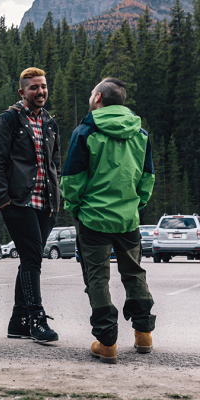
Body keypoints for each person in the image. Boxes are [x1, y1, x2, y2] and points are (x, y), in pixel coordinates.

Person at [60, 78, 156, 364]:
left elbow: (72, 178)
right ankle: (143, 334)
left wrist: (74, 207)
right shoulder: (140, 133)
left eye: (92, 93)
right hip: (128, 218)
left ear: (98, 97)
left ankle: (107, 341)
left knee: (97, 278)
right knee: (135, 273)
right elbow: (147, 177)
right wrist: (135, 205)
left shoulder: (85, 132)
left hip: (93, 218)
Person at [0, 67, 61, 344]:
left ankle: (18, 321)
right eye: (34, 88)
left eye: (43, 86)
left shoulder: (50, 123)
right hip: (18, 202)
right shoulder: (9, 120)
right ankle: (37, 319)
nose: (40, 92)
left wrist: (56, 196)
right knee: (32, 259)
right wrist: (3, 200)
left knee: (31, 258)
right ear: (22, 92)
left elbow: (55, 163)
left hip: (45, 204)